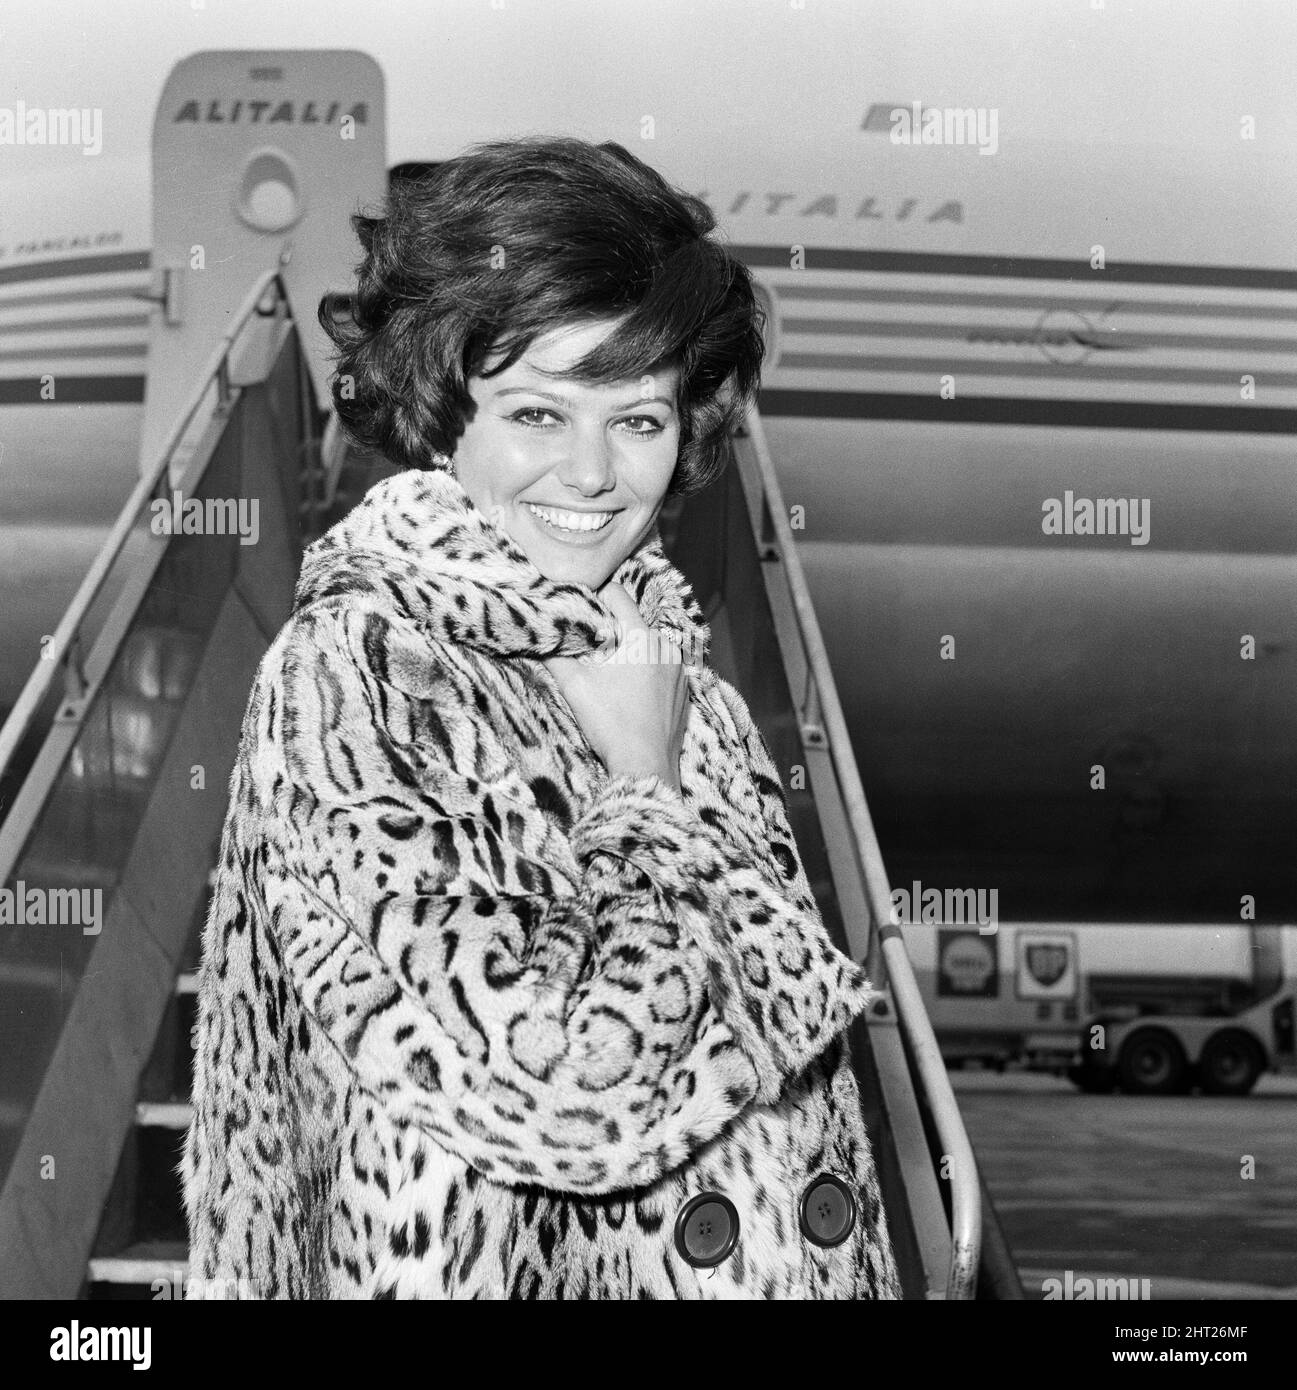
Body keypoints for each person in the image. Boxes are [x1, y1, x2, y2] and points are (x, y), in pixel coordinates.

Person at [181, 136, 900, 1299]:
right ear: (442, 409)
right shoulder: (363, 672)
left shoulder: (680, 684)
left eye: (638, 421)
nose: (590, 473)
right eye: (535, 411)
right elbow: (568, 1093)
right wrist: (642, 797)